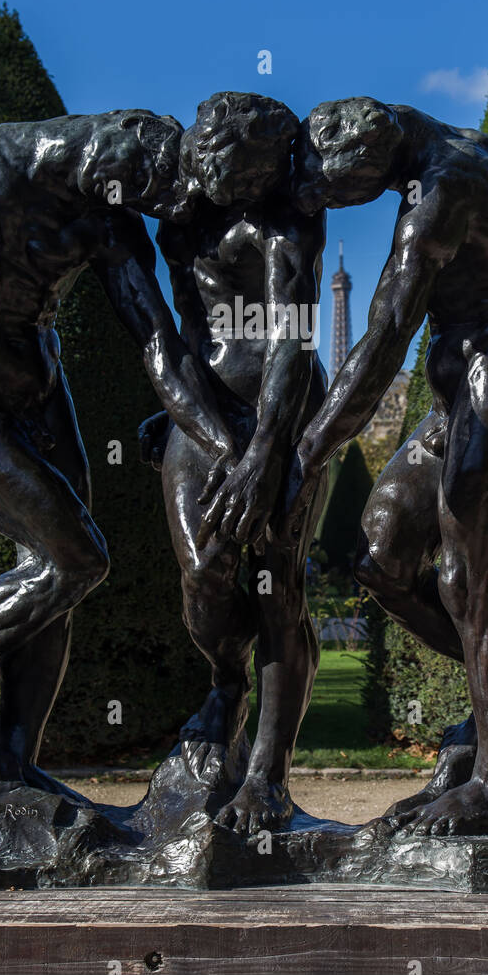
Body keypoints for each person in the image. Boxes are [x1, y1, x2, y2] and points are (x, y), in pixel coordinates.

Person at [0, 109, 238, 786]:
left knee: (51, 570)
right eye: (132, 182)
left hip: (43, 395)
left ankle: (15, 763)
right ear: (112, 130)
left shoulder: (106, 219)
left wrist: (222, 441)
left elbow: (158, 344)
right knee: (76, 560)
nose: (125, 202)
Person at [279, 97, 488, 835]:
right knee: (381, 558)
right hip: (455, 399)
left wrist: (304, 457)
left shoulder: (440, 194)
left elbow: (379, 342)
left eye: (335, 188)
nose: (332, 202)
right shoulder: (486, 155)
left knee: (468, 584)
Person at [144, 92, 328, 834]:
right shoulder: (180, 216)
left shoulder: (289, 218)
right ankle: (227, 682)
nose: (222, 179)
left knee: (278, 585)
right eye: (211, 163)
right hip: (208, 404)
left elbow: (294, 341)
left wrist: (268, 451)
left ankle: (268, 777)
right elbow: (184, 323)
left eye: (240, 170)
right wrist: (187, 408)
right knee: (201, 576)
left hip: (284, 409)